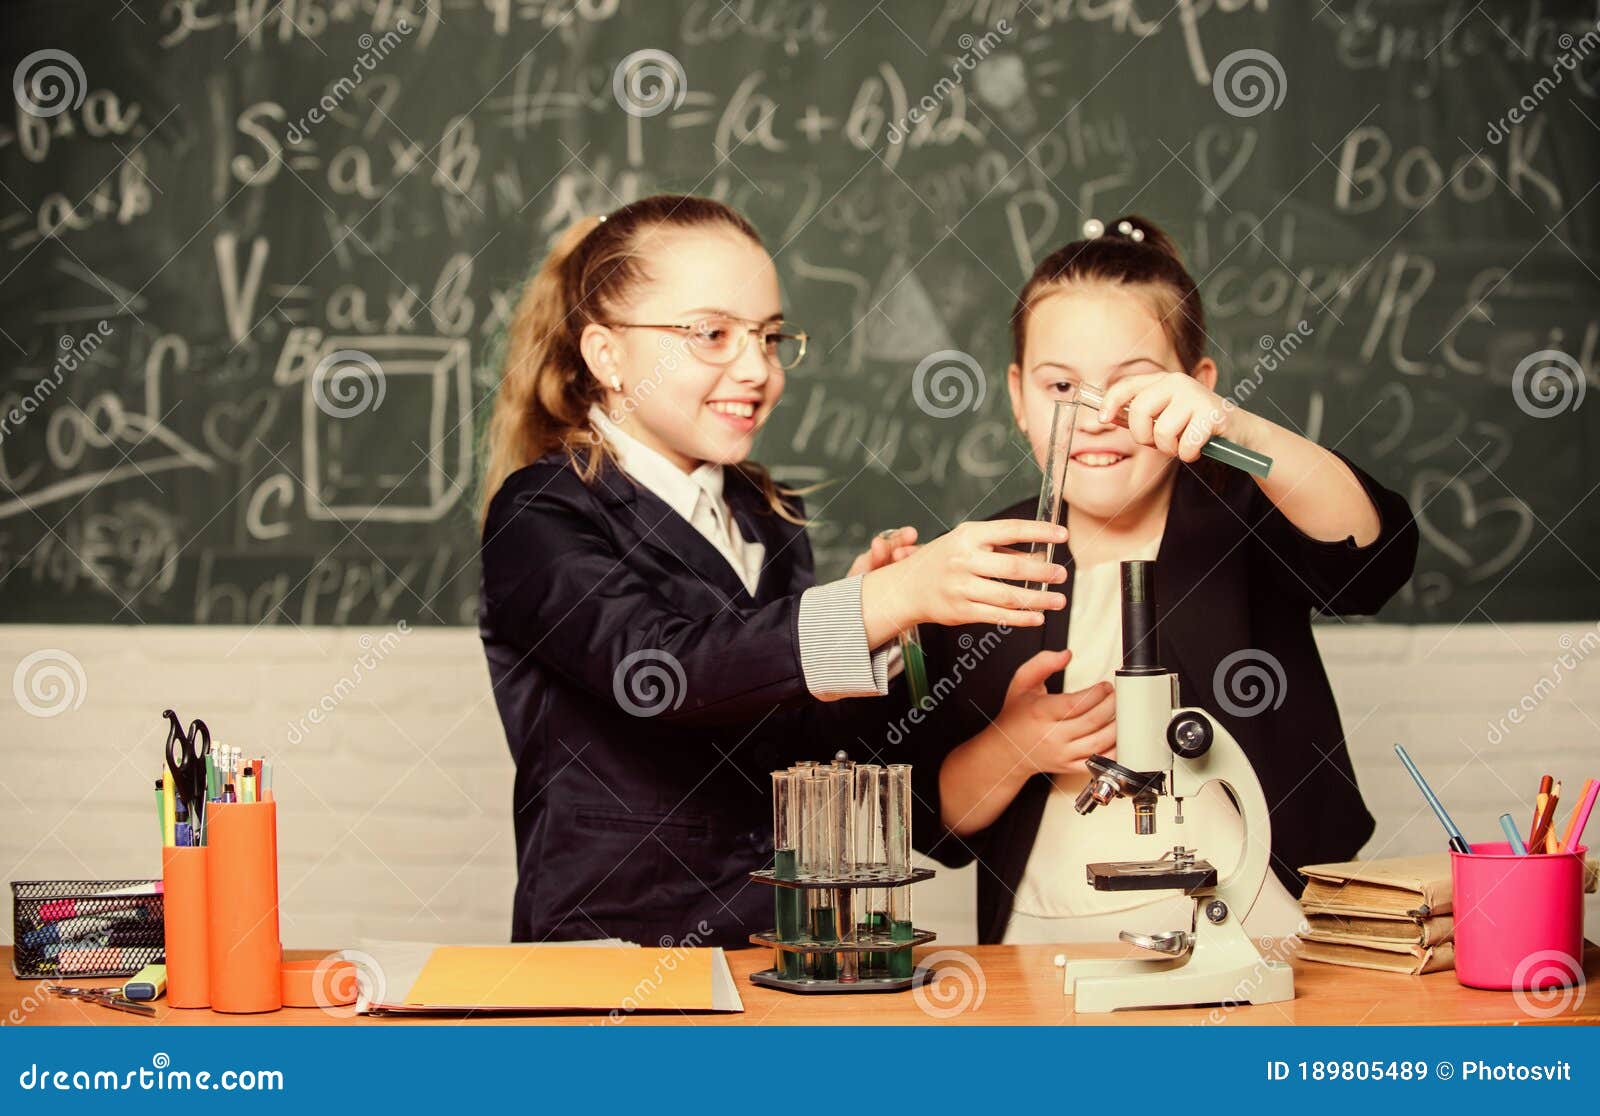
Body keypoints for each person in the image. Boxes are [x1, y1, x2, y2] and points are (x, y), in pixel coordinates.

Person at [477, 194, 1068, 946]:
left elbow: (794, 746)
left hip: (778, 948)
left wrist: (883, 628)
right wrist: (876, 602)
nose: (756, 369)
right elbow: (663, 672)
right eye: (712, 334)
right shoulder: (543, 512)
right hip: (613, 962)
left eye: (770, 336)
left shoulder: (766, 512)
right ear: (606, 354)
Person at [901, 214, 1419, 945]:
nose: (1097, 416)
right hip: (1041, 949)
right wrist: (1015, 749)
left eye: (1133, 387)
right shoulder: (985, 565)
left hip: (1263, 931)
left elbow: (1372, 560)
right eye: (1061, 385)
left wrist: (1240, 434)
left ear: (1199, 387)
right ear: (1018, 397)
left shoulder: (1245, 515)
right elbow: (939, 823)